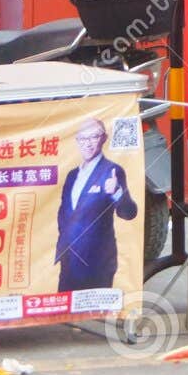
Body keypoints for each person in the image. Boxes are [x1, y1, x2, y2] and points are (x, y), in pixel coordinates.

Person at [56, 117, 138, 293]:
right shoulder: (71, 175)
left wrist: (116, 192)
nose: (88, 144)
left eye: (93, 137)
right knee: (65, 312)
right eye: (83, 139)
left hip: (97, 261)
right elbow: (64, 213)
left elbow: (129, 213)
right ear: (77, 141)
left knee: (95, 313)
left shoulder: (112, 171)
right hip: (69, 260)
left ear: (103, 138)